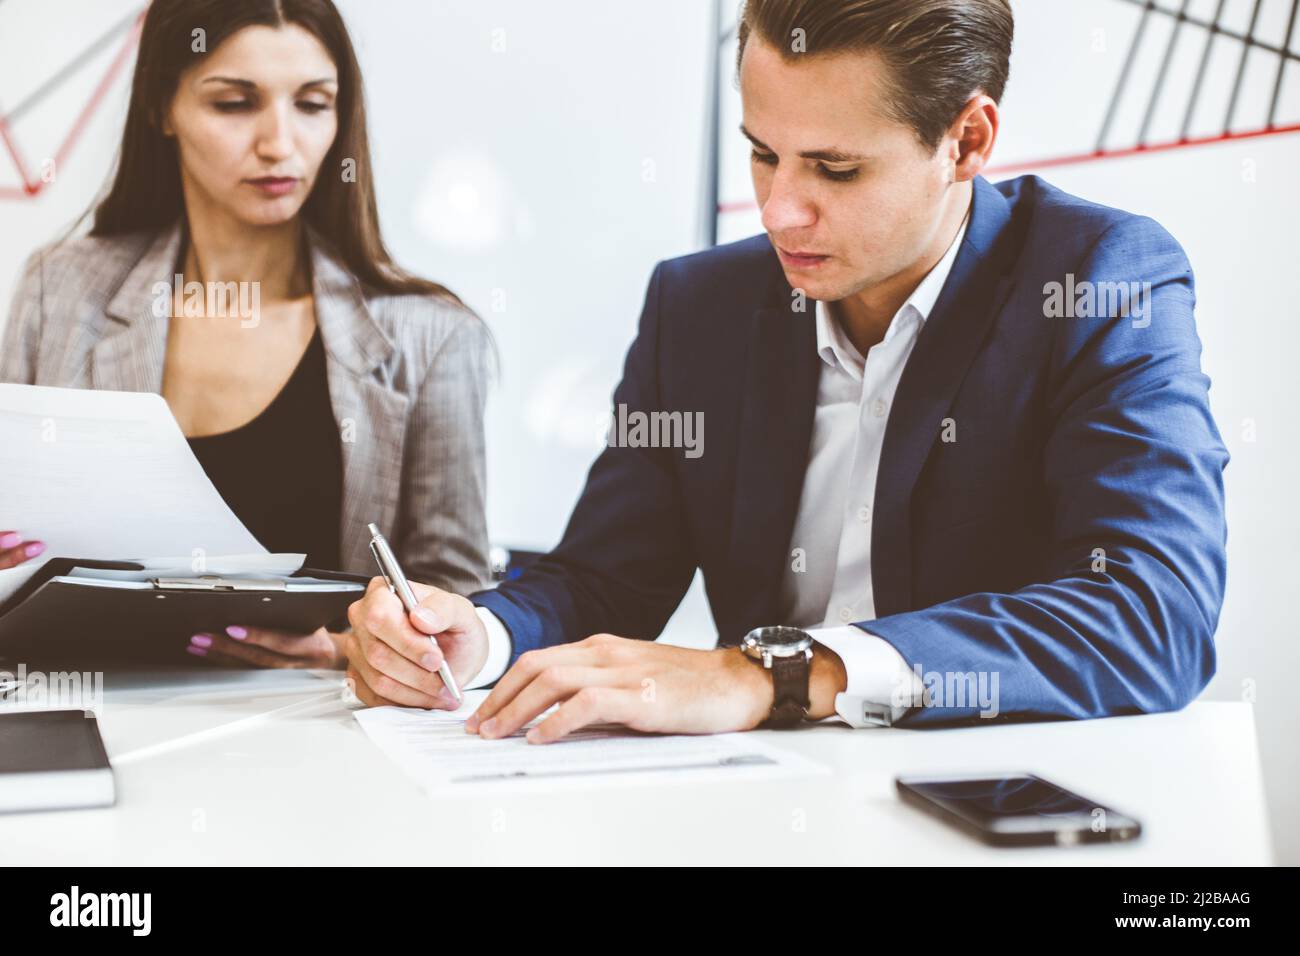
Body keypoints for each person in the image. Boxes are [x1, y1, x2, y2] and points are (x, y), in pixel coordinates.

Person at [349, 0, 1227, 741]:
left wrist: (776, 674)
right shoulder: (699, 305)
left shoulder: (1100, 279)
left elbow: (1154, 617)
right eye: (763, 152)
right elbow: (602, 579)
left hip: (994, 800)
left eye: (834, 170)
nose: (777, 211)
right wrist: (480, 634)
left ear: (966, 140)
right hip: (762, 800)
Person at [0, 0, 492, 671]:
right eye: (235, 103)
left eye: (313, 104)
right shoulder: (60, 289)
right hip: (84, 704)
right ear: (160, 108)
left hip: (316, 734)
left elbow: (456, 602)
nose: (280, 144)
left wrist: (346, 653)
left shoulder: (432, 337)